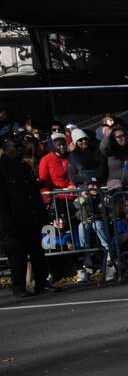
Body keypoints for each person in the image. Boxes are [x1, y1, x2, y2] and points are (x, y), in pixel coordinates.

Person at [0, 127, 52, 297]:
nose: (20, 149)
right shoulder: (2, 168)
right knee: (17, 256)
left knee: (38, 252)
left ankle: (42, 283)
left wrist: (42, 214)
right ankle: (19, 287)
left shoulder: (23, 166)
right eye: (15, 146)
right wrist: (6, 223)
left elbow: (32, 193)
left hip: (31, 217)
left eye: (20, 146)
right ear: (5, 147)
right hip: (13, 220)